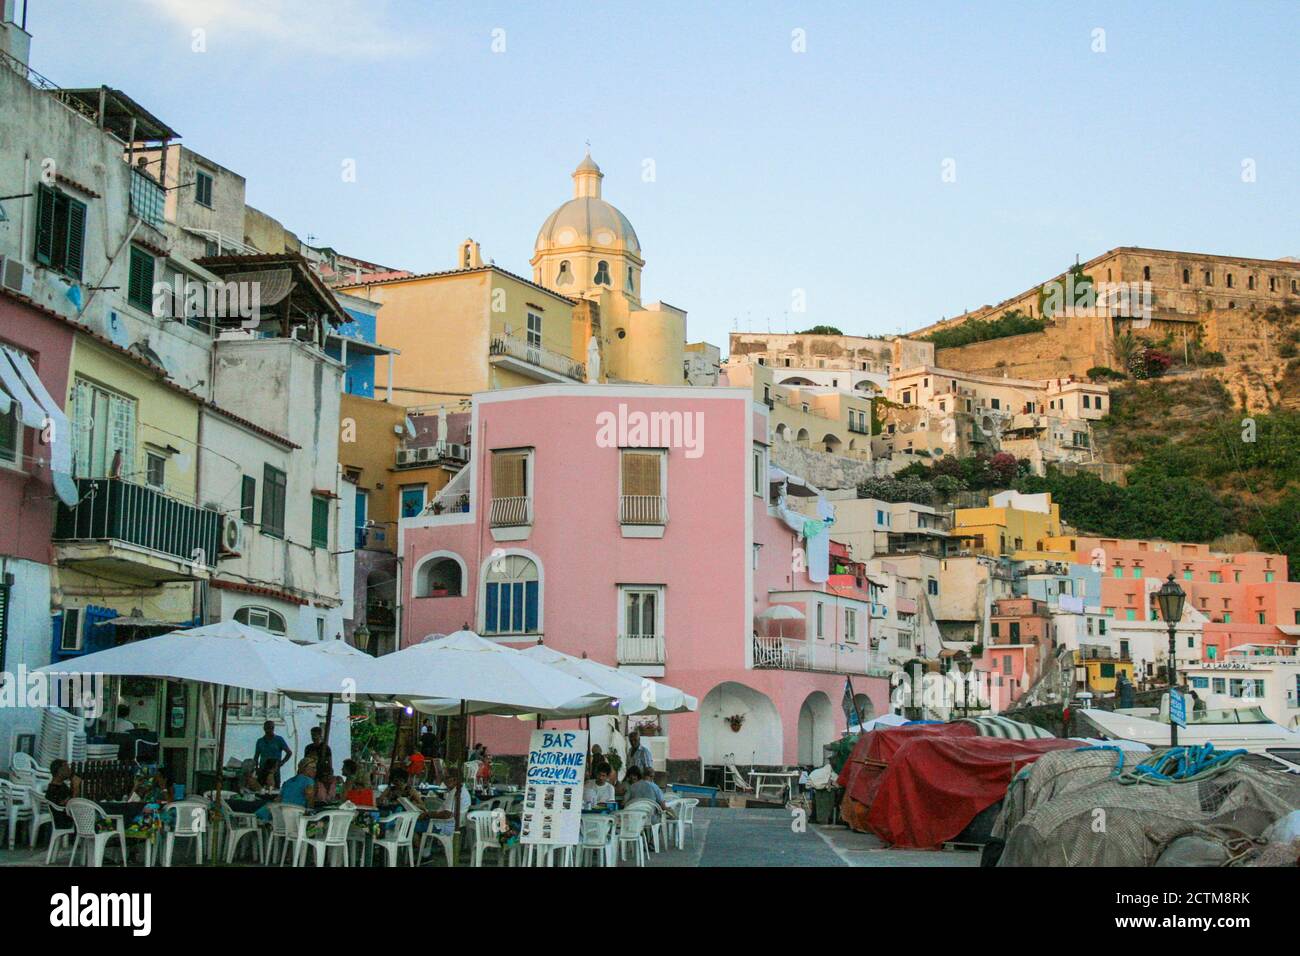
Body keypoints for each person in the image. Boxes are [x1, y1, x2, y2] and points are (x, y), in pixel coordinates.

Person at [253, 720, 292, 787]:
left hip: (274, 771)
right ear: (264, 728)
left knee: (274, 790)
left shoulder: (279, 739)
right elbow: (256, 756)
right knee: (261, 790)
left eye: (271, 728)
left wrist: (282, 762)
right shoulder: (260, 741)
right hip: (263, 769)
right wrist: (256, 768)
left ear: (273, 728)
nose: (269, 730)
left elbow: (289, 752)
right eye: (267, 728)